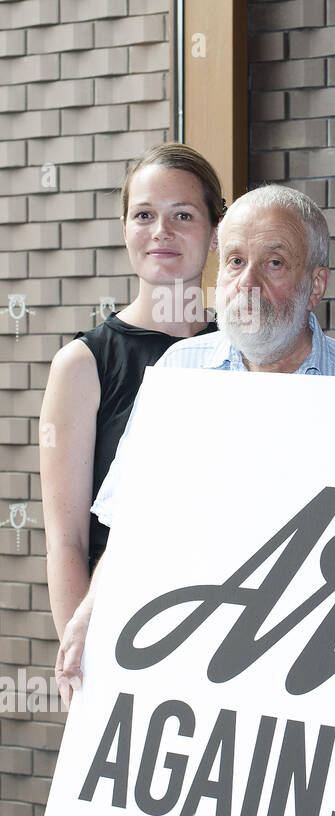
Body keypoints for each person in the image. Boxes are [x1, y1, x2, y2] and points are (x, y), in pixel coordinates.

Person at [54, 183, 335, 706]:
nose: (248, 284)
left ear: (316, 283)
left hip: (324, 661)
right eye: (235, 262)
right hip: (196, 655)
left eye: (274, 264)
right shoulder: (178, 371)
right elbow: (132, 517)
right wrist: (88, 611)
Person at [39, 143, 224, 642]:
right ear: (125, 230)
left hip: (228, 626)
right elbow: (67, 541)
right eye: (144, 214)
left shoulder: (240, 356)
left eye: (182, 215)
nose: (161, 231)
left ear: (214, 234)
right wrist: (80, 660)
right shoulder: (82, 366)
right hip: (126, 633)